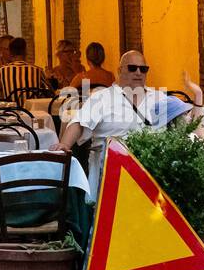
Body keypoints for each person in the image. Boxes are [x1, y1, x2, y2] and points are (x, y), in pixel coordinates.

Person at [54, 50, 191, 197]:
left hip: (152, 172)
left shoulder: (159, 98)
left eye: (143, 69)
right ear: (120, 71)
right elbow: (79, 123)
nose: (138, 73)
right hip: (111, 170)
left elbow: (185, 123)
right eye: (132, 68)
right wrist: (65, 145)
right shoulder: (102, 97)